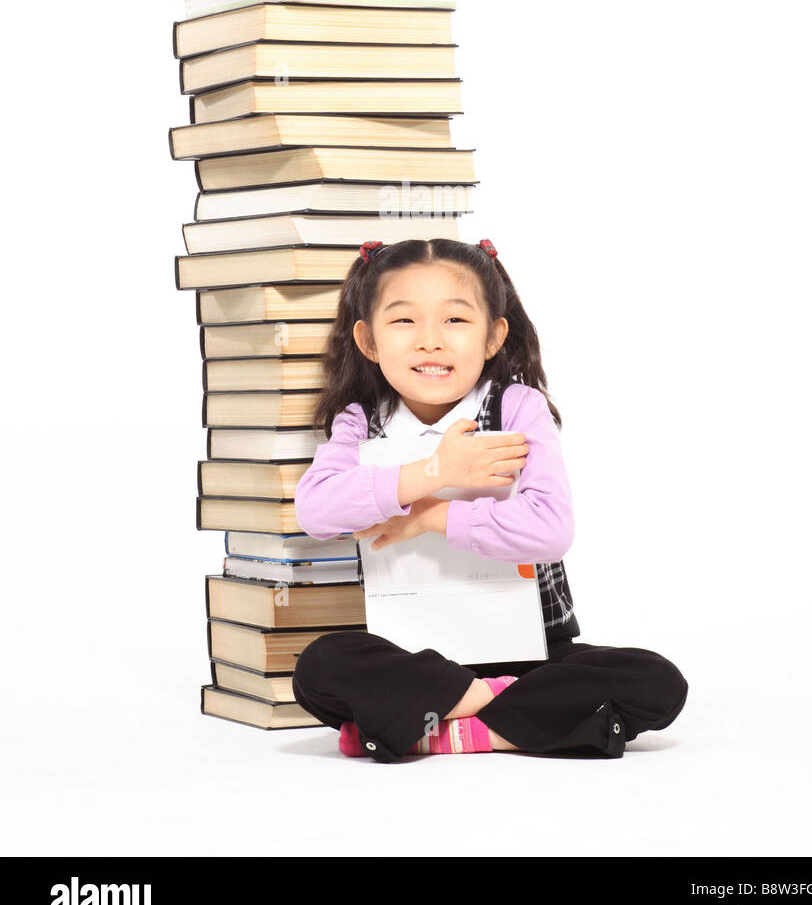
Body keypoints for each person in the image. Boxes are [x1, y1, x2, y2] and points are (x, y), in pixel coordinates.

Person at [292, 236, 687, 762]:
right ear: (367, 341)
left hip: (526, 651)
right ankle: (504, 714)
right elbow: (316, 512)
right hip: (410, 651)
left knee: (654, 680)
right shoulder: (359, 421)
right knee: (320, 669)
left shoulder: (518, 407)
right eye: (404, 321)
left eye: (455, 321)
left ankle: (443, 727)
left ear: (493, 336)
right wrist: (436, 471)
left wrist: (430, 516)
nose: (430, 341)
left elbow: (550, 532)